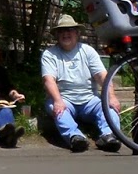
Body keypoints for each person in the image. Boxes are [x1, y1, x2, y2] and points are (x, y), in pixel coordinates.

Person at [40, 14, 122, 152]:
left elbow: (102, 76)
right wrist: (58, 100)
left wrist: (112, 97)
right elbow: (49, 80)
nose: (66, 34)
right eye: (61, 31)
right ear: (56, 35)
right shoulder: (49, 54)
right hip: (64, 99)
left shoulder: (88, 51)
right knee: (57, 109)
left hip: (89, 99)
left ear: (77, 33)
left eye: (69, 30)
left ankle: (109, 136)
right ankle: (75, 138)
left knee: (109, 107)